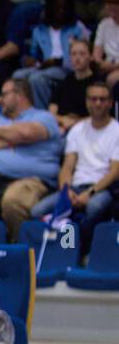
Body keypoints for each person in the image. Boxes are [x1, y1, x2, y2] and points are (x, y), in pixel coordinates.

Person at [29, 81, 119, 256]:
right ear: (87, 102)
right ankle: (59, 254)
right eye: (94, 99)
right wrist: (66, 190)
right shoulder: (77, 130)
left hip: (102, 188)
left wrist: (90, 193)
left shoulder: (116, 130)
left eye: (103, 99)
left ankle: (83, 254)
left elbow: (115, 172)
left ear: (110, 103)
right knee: (37, 211)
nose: (98, 103)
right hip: (75, 187)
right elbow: (67, 167)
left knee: (93, 207)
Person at [0, 78, 65, 239]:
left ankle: (20, 249)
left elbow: (26, 133)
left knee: (13, 200)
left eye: (4, 94)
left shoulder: (43, 117)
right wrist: (12, 138)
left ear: (19, 95)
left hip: (30, 181)